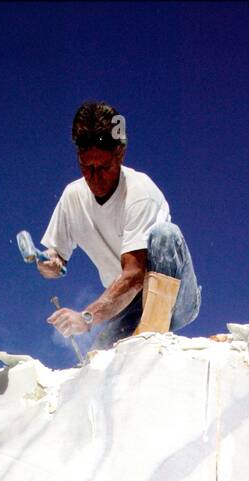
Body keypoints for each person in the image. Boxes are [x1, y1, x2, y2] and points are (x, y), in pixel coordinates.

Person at [39, 102, 201, 350]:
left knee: (165, 235)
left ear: (120, 153)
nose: (95, 177)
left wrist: (87, 317)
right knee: (99, 358)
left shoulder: (140, 192)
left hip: (177, 298)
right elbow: (56, 256)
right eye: (86, 167)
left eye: (103, 167)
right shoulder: (72, 196)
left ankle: (150, 342)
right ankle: (140, 340)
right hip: (130, 305)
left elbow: (135, 276)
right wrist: (49, 262)